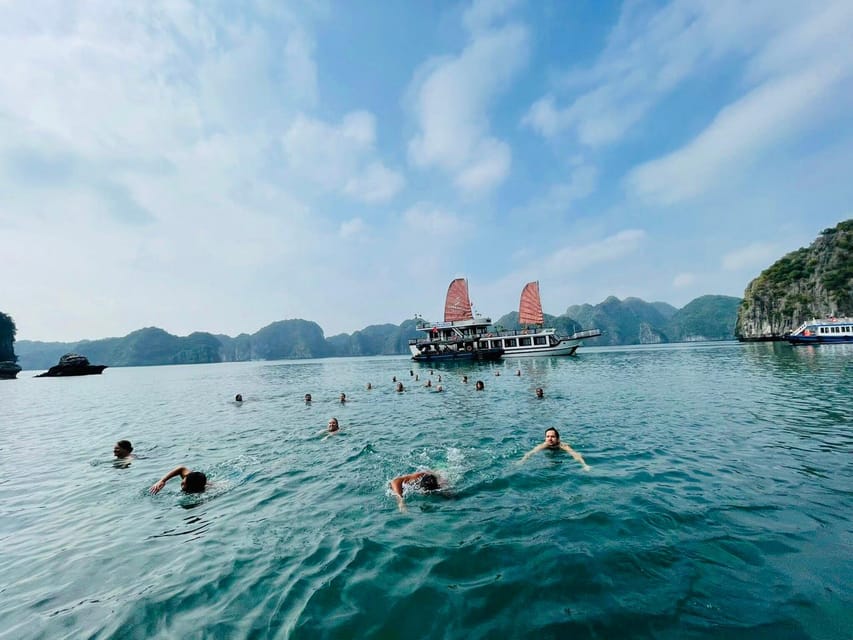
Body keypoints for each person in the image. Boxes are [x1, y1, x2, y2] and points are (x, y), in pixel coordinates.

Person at [520, 428, 590, 471]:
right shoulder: (543, 445)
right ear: (545, 438)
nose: (550, 439)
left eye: (552, 437)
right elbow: (530, 453)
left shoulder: (563, 446)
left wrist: (584, 465)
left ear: (558, 439)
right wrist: (521, 461)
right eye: (547, 436)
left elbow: (575, 454)